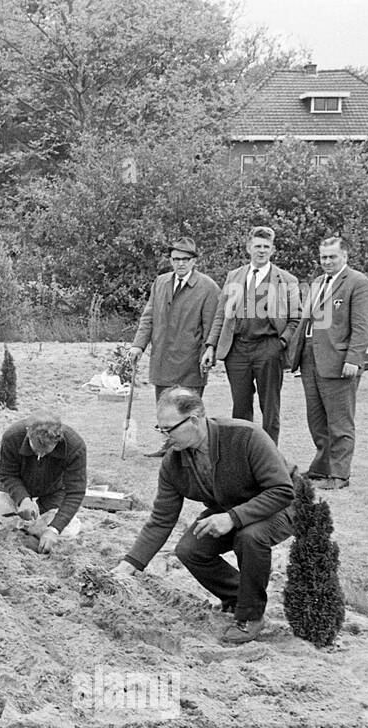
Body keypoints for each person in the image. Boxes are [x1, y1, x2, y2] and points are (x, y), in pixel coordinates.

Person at [110, 388, 296, 645]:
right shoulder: (173, 463)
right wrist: (129, 564)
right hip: (231, 508)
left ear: (194, 420)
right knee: (189, 549)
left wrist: (232, 517)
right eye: (160, 429)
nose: (164, 436)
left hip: (279, 506)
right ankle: (238, 596)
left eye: (169, 429)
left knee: (249, 536)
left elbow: (283, 490)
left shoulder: (246, 436)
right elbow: (162, 519)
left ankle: (250, 615)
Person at [203, 226, 302, 445]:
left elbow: (297, 318)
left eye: (266, 247)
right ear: (249, 248)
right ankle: (243, 455)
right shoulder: (234, 276)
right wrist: (211, 345)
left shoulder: (287, 280)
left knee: (270, 407)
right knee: (240, 406)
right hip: (237, 349)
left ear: (273, 250)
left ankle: (269, 457)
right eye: (257, 246)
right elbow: (221, 314)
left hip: (268, 348)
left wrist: (281, 343)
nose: (261, 251)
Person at [289, 236, 368, 490]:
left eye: (332, 256)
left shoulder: (358, 283)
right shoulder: (317, 282)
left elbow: (362, 326)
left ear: (345, 257)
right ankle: (321, 467)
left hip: (339, 362)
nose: (327, 261)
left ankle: (339, 475)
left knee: (339, 420)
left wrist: (353, 359)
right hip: (310, 360)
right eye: (323, 256)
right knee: (316, 418)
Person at [128, 237, 221, 402]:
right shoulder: (160, 282)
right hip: (162, 362)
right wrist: (138, 345)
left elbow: (212, 327)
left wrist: (209, 351)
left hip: (190, 366)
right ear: (171, 260)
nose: (181, 263)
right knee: (164, 416)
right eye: (176, 259)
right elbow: (148, 317)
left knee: (187, 418)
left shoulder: (208, 287)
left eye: (186, 259)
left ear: (194, 261)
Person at [0, 413, 87, 555]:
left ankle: (40, 530)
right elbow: (7, 474)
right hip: (17, 485)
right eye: (37, 450)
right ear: (28, 433)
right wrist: (23, 499)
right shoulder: (12, 437)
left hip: (54, 491)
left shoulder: (75, 447)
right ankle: (23, 527)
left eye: (46, 451)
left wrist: (54, 529)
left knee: (67, 530)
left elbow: (75, 492)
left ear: (58, 440)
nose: (41, 455)